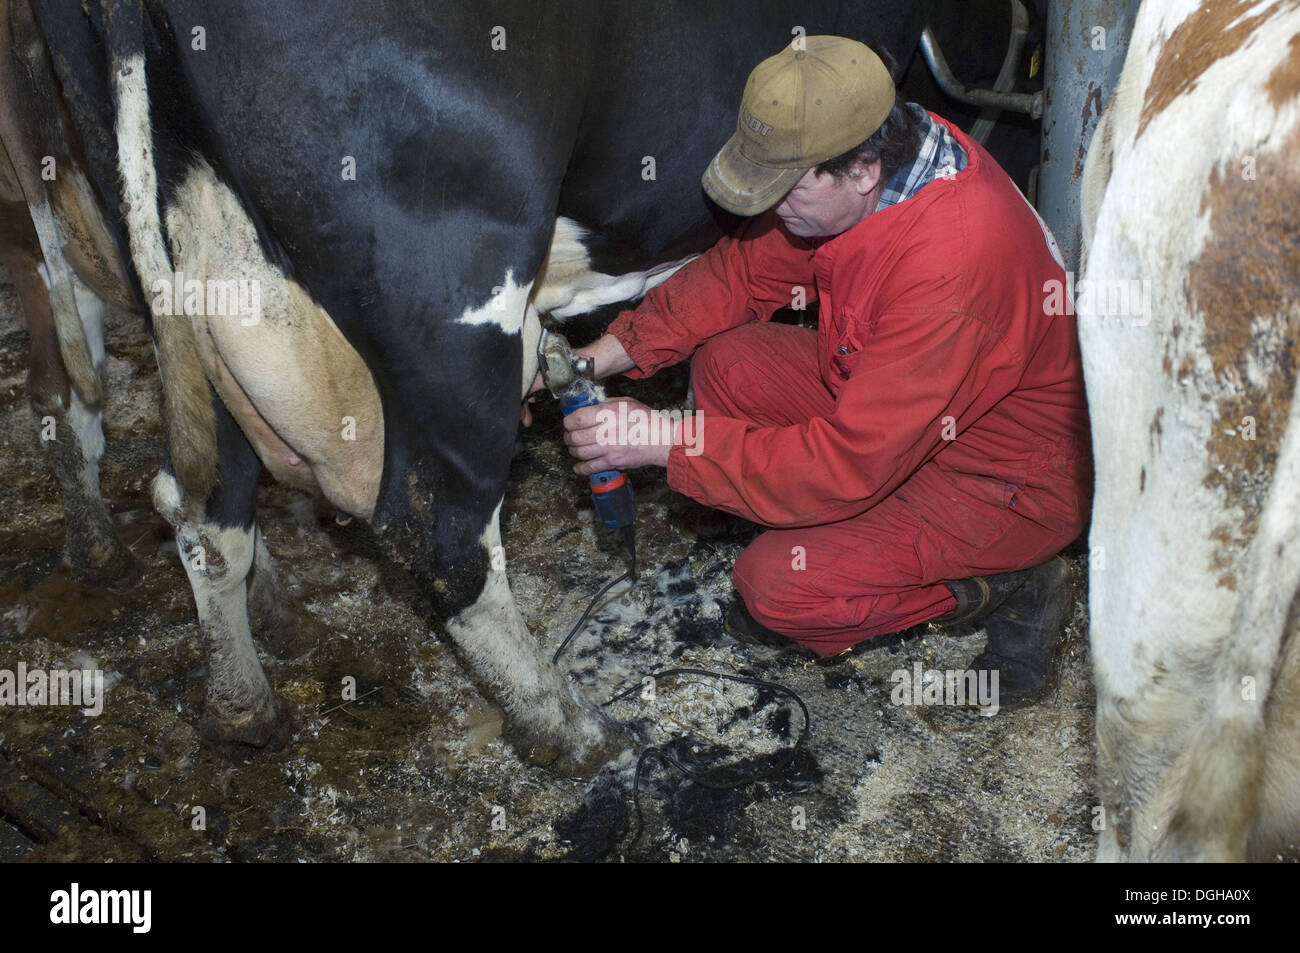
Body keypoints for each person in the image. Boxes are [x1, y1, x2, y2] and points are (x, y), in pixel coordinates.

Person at [537, 36, 1091, 707]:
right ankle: (820, 528)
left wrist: (663, 442)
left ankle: (1006, 581)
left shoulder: (951, 267)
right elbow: (742, 272)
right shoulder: (884, 153)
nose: (769, 208)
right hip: (904, 409)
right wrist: (601, 355)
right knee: (729, 363)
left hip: (1003, 483)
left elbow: (848, 465)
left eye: (785, 189)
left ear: (859, 171)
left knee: (777, 586)